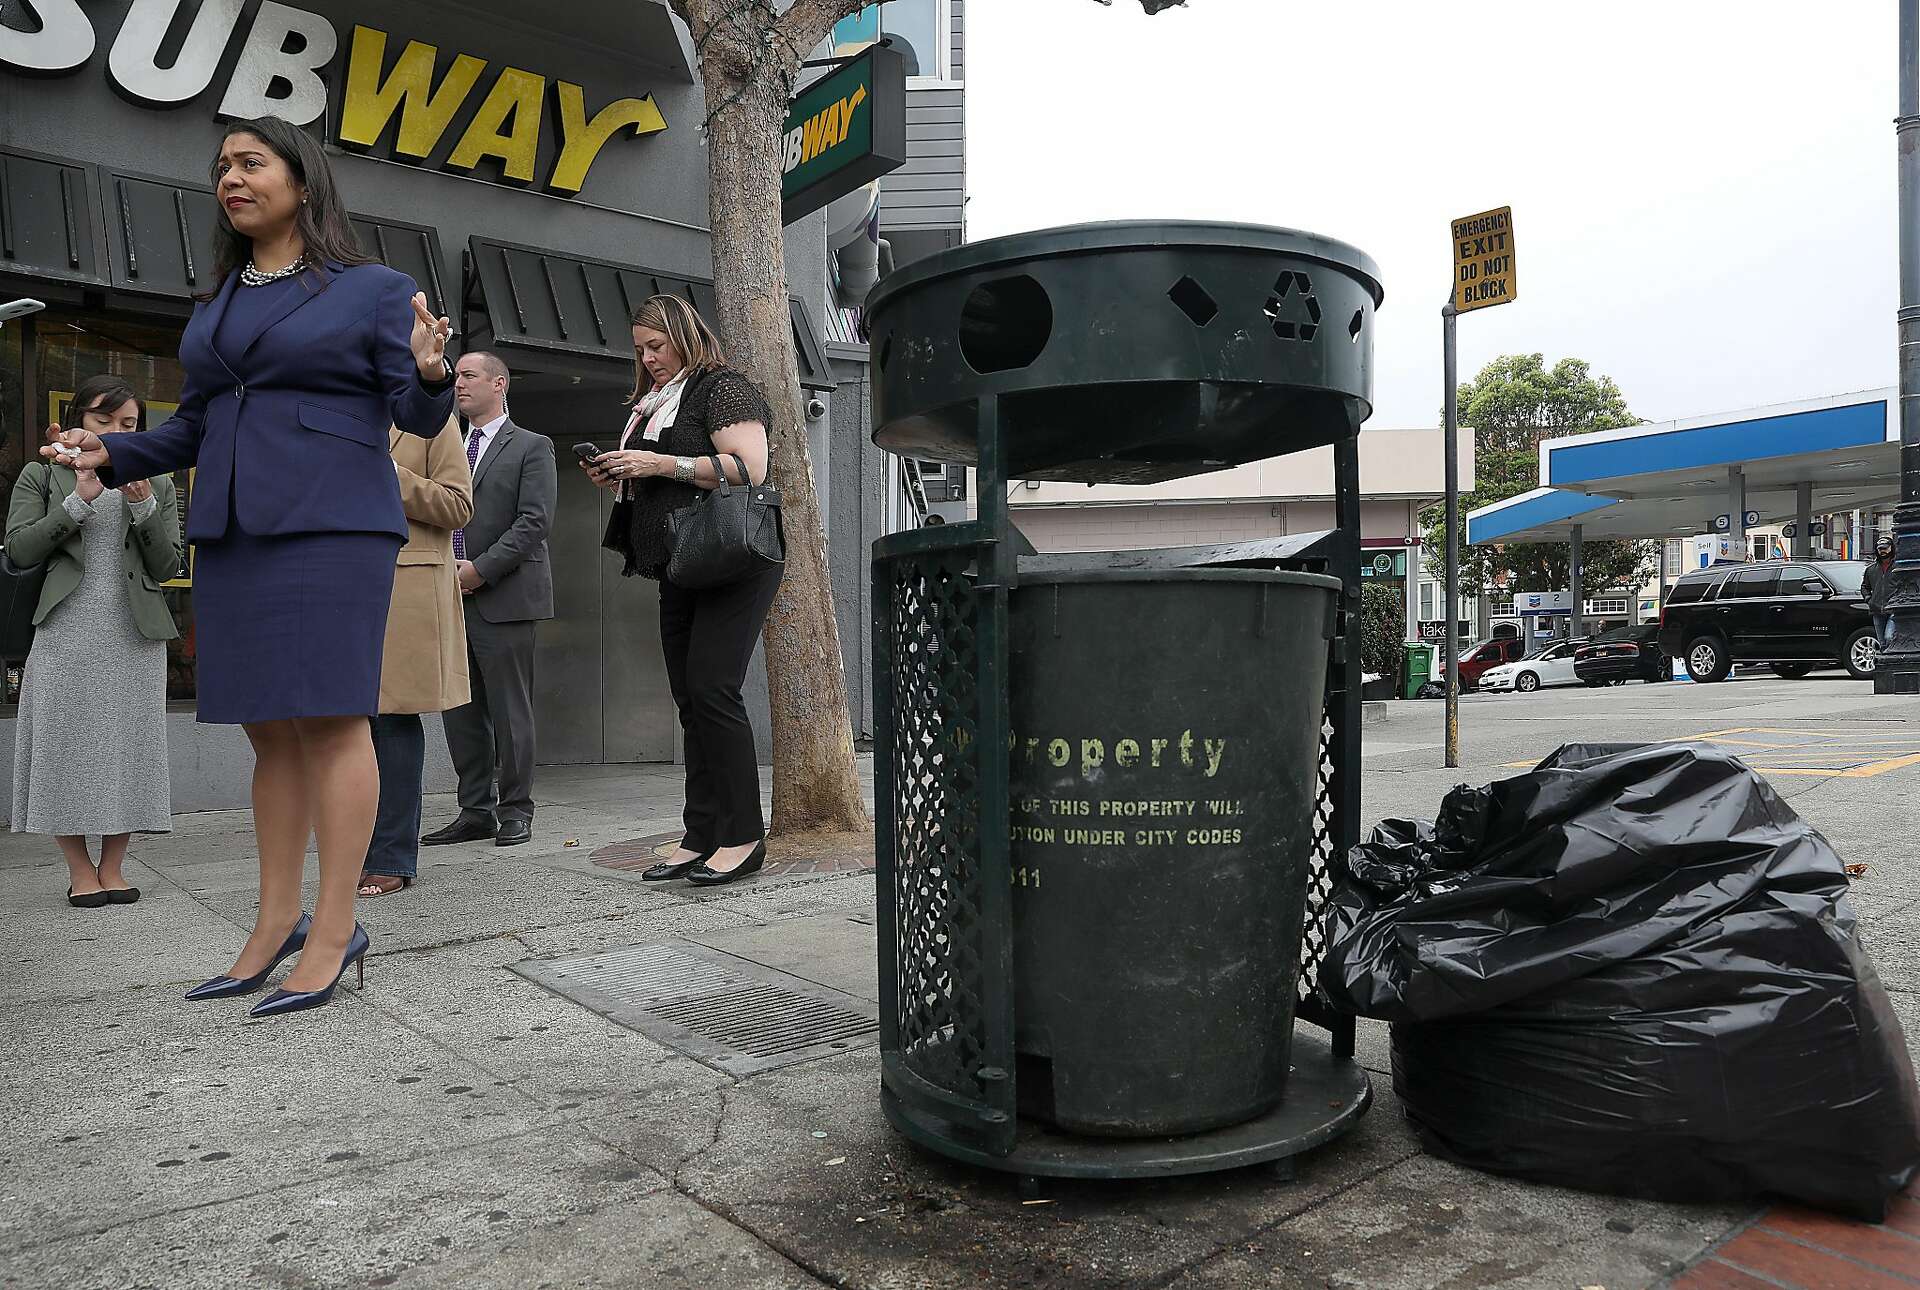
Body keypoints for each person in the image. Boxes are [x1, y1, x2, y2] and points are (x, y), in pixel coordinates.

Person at [46, 115, 455, 1016]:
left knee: (335, 722)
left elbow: (418, 419)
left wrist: (431, 374)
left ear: (301, 180)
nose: (231, 177)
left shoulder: (375, 289)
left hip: (332, 523)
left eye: (251, 161)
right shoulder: (218, 303)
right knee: (269, 732)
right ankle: (275, 924)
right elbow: (194, 425)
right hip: (232, 528)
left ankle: (339, 925)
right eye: (222, 166)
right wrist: (107, 454)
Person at [584, 295, 778, 887]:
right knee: (692, 699)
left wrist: (656, 465)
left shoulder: (723, 387)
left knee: (713, 690)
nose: (647, 360)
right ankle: (700, 834)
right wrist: (621, 470)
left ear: (687, 338)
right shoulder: (653, 403)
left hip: (732, 558)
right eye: (640, 350)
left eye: (656, 348)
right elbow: (660, 467)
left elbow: (751, 468)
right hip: (681, 561)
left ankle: (744, 835)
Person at [9, 376, 181, 907]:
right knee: (63, 749)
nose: (116, 432)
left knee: (129, 748)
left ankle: (114, 866)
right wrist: (78, 505)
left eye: (128, 424)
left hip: (135, 635)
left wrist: (146, 506)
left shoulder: (156, 479)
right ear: (79, 418)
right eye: (103, 421)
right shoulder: (42, 473)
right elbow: (19, 549)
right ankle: (79, 868)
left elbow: (170, 564)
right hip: (65, 630)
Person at [420, 353, 555, 850]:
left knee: (509, 709)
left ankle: (516, 809)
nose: (459, 384)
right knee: (459, 710)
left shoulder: (532, 447)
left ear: (499, 384)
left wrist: (479, 570)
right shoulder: (444, 444)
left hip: (506, 595)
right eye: (455, 377)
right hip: (447, 596)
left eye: (468, 376)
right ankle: (474, 810)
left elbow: (534, 522)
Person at [360, 416, 474, 897]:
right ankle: (351, 849)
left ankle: (389, 855)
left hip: (403, 583)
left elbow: (458, 506)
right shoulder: (339, 413)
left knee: (392, 717)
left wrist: (384, 472)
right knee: (343, 722)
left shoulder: (433, 422)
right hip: (338, 578)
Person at [1864, 533, 1896, 648]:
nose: (1882, 551)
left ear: (1891, 548)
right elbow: (1865, 587)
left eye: (1885, 548)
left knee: (1889, 637)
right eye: (1880, 549)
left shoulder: (1898, 567)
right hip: (1877, 610)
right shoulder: (1871, 569)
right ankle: (1886, 665)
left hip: (1894, 609)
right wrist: (1868, 599)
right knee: (1882, 643)